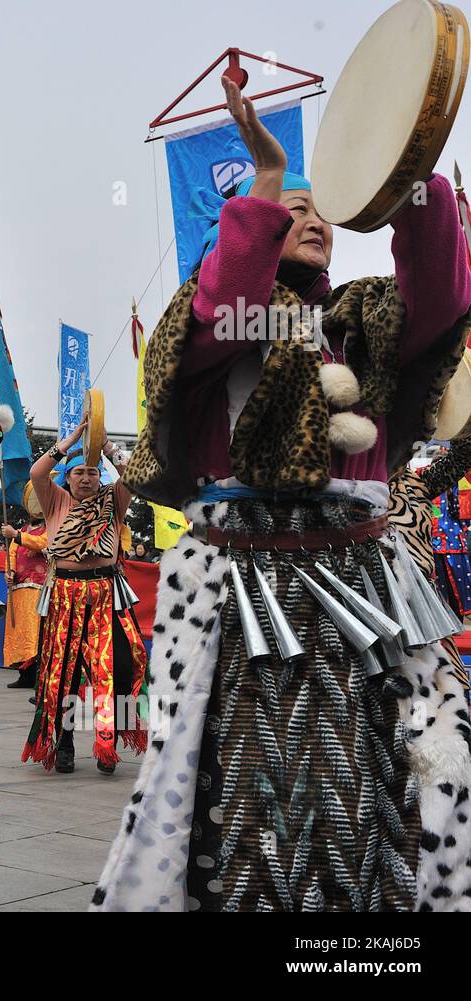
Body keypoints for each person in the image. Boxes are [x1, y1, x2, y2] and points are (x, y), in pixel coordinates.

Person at [95, 78, 471, 912]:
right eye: (288, 210)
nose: (308, 218)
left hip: (368, 600)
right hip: (246, 601)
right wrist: (265, 176)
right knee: (257, 812)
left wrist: (409, 171)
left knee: (406, 788)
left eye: (318, 210)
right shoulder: (212, 329)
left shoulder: (364, 324)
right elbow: (228, 294)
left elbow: (443, 300)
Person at [21, 421, 147, 775]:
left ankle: (110, 737)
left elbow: (134, 474)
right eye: (79, 472)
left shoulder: (114, 499)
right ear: (69, 477)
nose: (86, 478)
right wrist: (73, 441)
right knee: (63, 675)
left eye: (92, 472)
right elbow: (37, 471)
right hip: (65, 596)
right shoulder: (55, 500)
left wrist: (104, 444)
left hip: (106, 595)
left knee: (122, 664)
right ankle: (64, 742)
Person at [388, 439, 471, 685]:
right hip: (374, 608)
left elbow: (462, 455)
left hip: (422, 610)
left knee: (441, 696)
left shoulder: (415, 482)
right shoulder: (352, 482)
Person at [2, 484, 48, 690]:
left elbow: (41, 544)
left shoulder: (51, 527)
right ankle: (24, 674)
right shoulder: (20, 530)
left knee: (34, 632)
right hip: (18, 587)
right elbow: (11, 553)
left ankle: (36, 675)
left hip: (38, 586)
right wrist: (9, 572)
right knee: (18, 632)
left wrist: (16, 535)